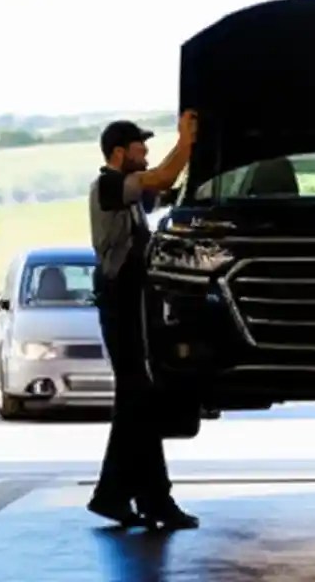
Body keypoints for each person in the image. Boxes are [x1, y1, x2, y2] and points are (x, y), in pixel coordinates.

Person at [86, 111, 199, 530]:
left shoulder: (127, 195)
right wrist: (186, 140)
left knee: (140, 401)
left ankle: (138, 498)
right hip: (121, 301)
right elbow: (163, 178)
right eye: (140, 148)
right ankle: (127, 497)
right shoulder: (111, 184)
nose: (146, 153)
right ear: (119, 153)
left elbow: (169, 191)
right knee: (137, 398)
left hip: (132, 301)